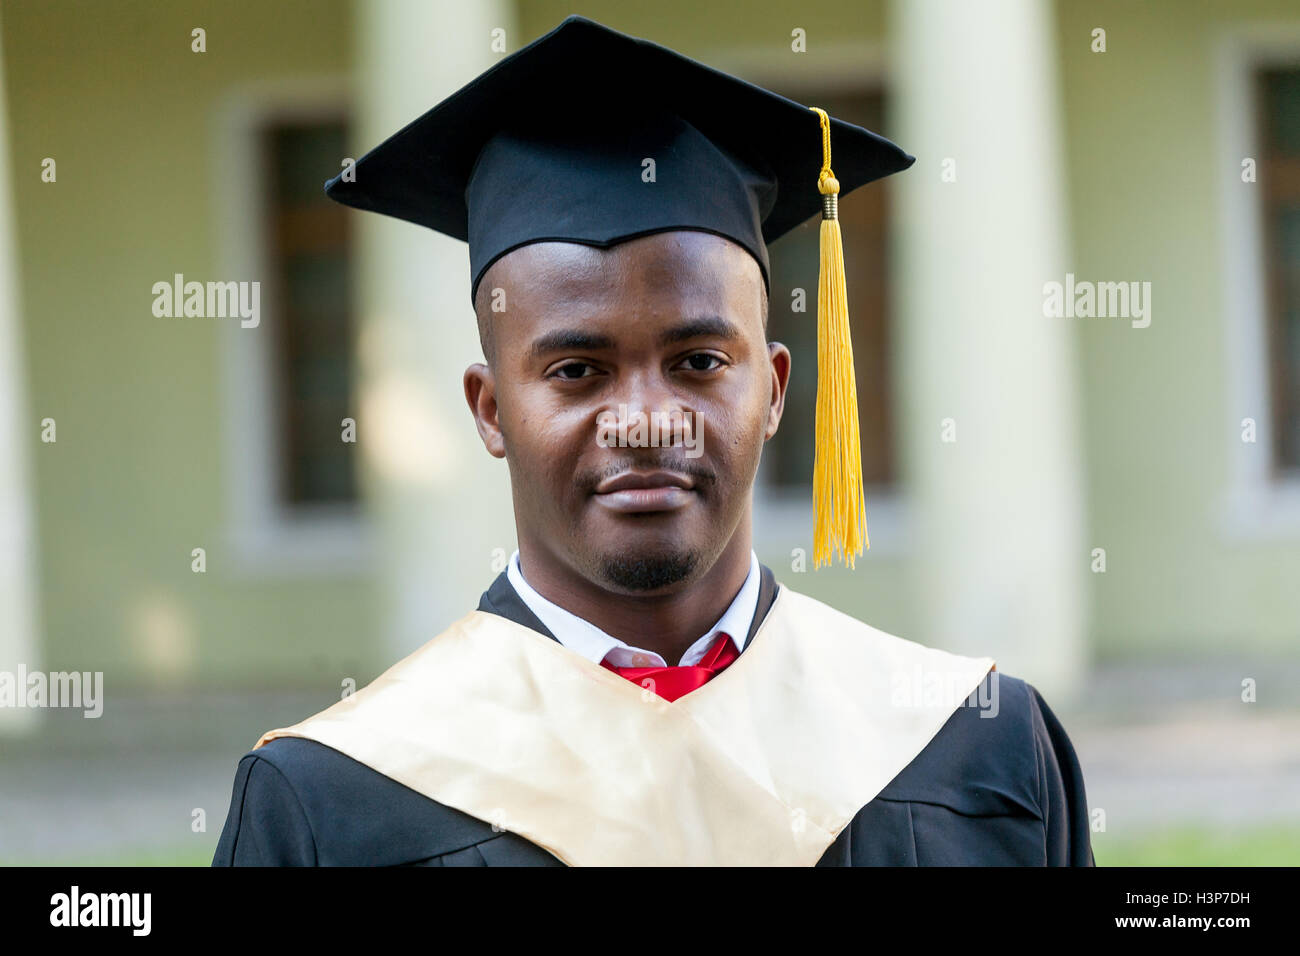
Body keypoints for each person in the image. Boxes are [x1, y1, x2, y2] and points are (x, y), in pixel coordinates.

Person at [213, 14, 1094, 867]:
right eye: (576, 372)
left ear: (776, 388)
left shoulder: (977, 748)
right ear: (489, 410)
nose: (644, 420)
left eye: (700, 360)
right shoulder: (334, 801)